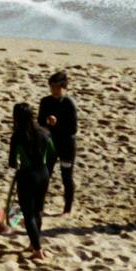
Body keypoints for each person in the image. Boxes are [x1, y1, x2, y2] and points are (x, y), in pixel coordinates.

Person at [7, 103, 56, 258]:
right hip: (43, 174)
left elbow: (12, 162)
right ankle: (34, 243)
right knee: (38, 211)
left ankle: (37, 249)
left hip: (27, 176)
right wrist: (46, 168)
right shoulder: (44, 132)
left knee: (28, 215)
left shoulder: (17, 136)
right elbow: (53, 153)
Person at [40, 71, 78, 214]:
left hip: (66, 145)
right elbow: (40, 122)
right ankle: (40, 206)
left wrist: (57, 124)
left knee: (66, 176)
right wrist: (47, 122)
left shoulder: (69, 104)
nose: (54, 90)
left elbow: (73, 129)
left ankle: (67, 209)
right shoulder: (45, 101)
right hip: (50, 144)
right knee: (45, 175)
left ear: (64, 88)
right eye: (52, 87)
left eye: (57, 87)